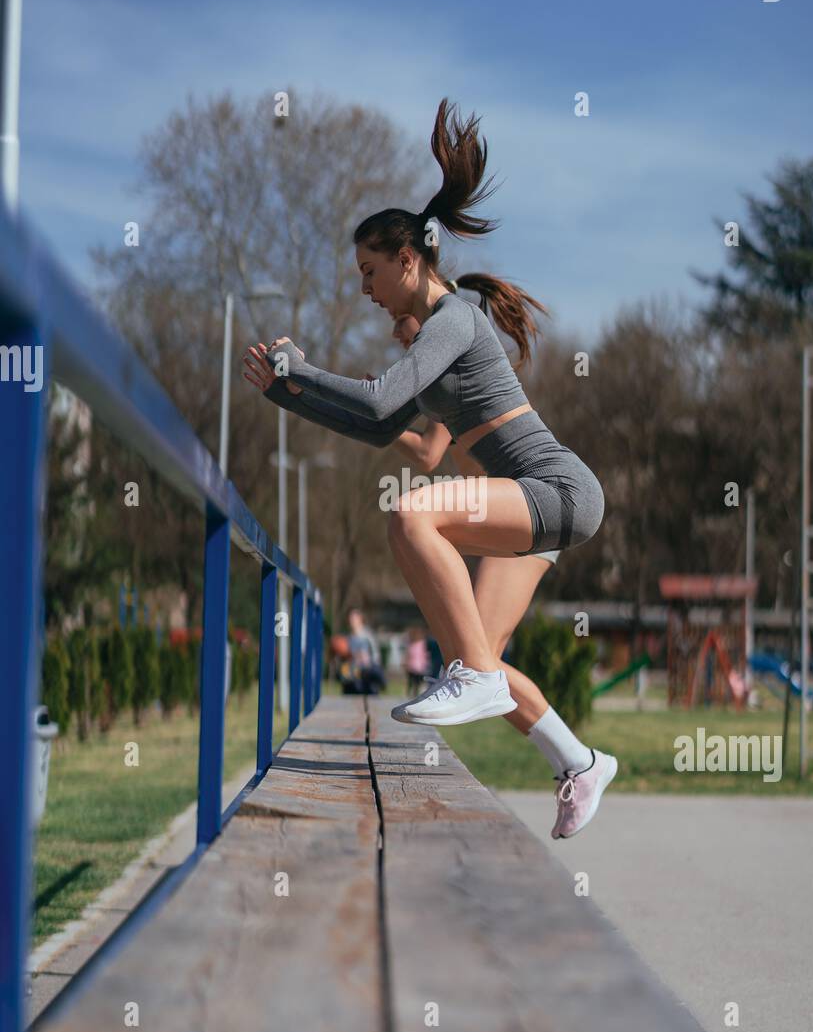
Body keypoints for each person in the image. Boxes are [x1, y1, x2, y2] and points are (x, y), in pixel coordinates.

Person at [243, 97, 615, 836]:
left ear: (409, 261)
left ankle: (470, 677)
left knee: (412, 515)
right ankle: (581, 762)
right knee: (479, 650)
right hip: (537, 510)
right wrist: (288, 396)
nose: (364, 290)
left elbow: (381, 398)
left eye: (370, 271)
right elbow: (387, 428)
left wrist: (305, 370)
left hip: (559, 491)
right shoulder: (438, 346)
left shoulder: (453, 321)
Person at [404, 625, 430, 697]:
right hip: (414, 666)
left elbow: (424, 655)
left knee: (415, 682)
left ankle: (413, 694)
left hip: (417, 666)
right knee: (413, 682)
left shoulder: (421, 644)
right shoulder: (413, 644)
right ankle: (411, 694)